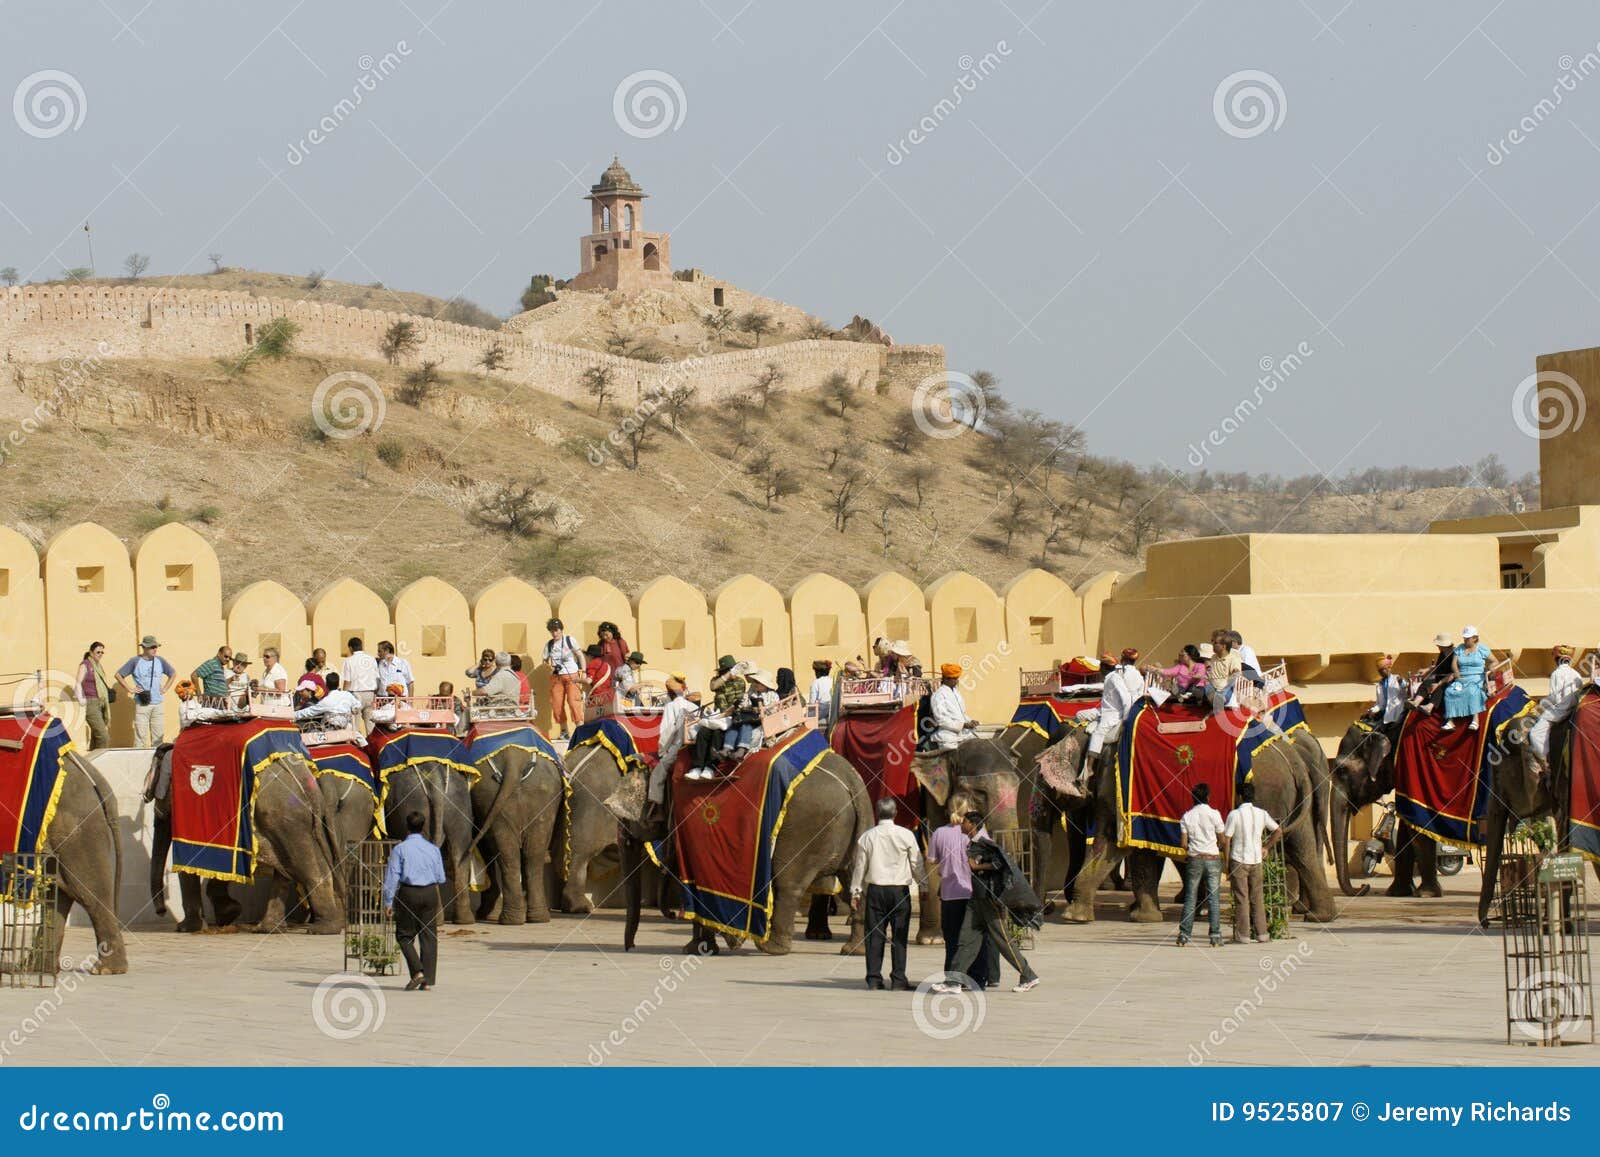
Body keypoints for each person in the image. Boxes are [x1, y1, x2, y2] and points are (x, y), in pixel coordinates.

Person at [935, 815, 1041, 993]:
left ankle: (1028, 975)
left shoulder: (984, 843)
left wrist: (978, 867)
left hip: (989, 901)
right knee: (966, 941)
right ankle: (954, 982)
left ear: (972, 824)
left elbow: (1002, 863)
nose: (961, 824)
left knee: (1003, 941)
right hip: (975, 900)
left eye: (965, 821)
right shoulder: (972, 843)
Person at [850, 797, 925, 991]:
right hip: (899, 891)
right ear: (895, 813)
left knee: (874, 935)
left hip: (876, 891)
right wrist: (923, 885)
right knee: (899, 935)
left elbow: (860, 866)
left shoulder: (867, 836)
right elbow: (916, 863)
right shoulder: (906, 835)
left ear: (877, 813)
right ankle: (898, 979)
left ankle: (874, 979)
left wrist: (855, 891)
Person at [925, 800, 994, 988]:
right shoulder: (977, 833)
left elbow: (932, 859)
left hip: (950, 894)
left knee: (952, 939)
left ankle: (953, 977)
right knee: (976, 938)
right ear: (968, 811)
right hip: (973, 892)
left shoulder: (939, 833)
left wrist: (947, 861)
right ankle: (977, 977)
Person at [383, 812, 446, 991]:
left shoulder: (400, 849)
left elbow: (392, 876)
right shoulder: (433, 849)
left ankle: (418, 972)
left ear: (407, 827)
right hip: (430, 892)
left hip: (408, 893)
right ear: (423, 827)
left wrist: (388, 902)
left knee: (404, 936)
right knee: (429, 936)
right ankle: (427, 982)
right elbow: (441, 877)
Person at [1223, 781, 1281, 944]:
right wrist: (1266, 847)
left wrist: (1226, 863)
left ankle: (1243, 935)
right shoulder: (1261, 813)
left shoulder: (1234, 815)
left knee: (1241, 898)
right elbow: (1278, 831)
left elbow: (1227, 840)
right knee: (1257, 898)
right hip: (1256, 860)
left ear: (1240, 796)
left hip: (1239, 859)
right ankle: (1262, 934)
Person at [1177, 783, 1227, 948]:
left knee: (1190, 897)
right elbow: (1222, 839)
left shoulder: (1186, 817)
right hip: (1212, 859)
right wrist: (1216, 846)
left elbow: (1183, 844)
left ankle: (1184, 935)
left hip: (1194, 859)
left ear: (1193, 798)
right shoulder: (1215, 814)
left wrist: (1193, 848)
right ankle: (1215, 936)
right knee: (1213, 898)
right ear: (1208, 797)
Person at [1083, 649, 1146, 777]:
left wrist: (1126, 718)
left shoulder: (1116, 676)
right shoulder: (1134, 676)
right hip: (1107, 710)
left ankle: (1089, 767)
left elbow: (1126, 698)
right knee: (1081, 714)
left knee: (1098, 733)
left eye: (1101, 665)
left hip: (1113, 714)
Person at [646, 674, 698, 818]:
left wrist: (662, 752)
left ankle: (656, 807)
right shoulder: (693, 706)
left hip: (679, 748)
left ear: (669, 693)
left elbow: (667, 731)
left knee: (659, 770)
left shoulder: (671, 706)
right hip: (694, 748)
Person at [687, 656, 745, 779]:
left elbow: (739, 702)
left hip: (732, 717)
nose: (734, 672)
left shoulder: (740, 682)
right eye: (730, 670)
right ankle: (697, 767)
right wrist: (727, 675)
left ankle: (710, 768)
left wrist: (733, 675)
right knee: (703, 732)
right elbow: (713, 686)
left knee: (718, 733)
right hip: (718, 717)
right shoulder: (717, 680)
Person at [116, 635, 176, 747]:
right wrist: (130, 689)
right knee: (140, 737)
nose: (155, 649)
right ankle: (139, 757)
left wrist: (165, 688)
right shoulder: (135, 661)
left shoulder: (160, 660)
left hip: (158, 703)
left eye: (156, 647)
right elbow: (119, 675)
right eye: (152, 647)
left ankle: (157, 758)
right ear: (144, 647)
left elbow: (173, 673)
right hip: (142, 703)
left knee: (158, 738)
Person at [1529, 644, 1584, 758]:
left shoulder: (1556, 673)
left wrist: (1540, 704)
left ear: (1555, 659)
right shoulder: (1577, 674)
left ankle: (1545, 759)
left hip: (1560, 712)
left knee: (1535, 734)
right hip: (1574, 710)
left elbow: (1554, 698)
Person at [1443, 626, 1492, 732]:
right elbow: (1454, 664)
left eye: (1467, 638)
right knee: (1449, 691)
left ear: (1475, 638)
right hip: (1462, 678)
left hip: (1476, 678)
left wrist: (1491, 668)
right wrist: (1457, 673)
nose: (1465, 640)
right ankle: (1450, 721)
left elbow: (1495, 661)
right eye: (1464, 638)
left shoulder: (1482, 648)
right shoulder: (1460, 648)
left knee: (1472, 691)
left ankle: (1475, 719)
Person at [542, 621, 585, 739]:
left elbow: (580, 655)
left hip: (572, 675)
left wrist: (584, 672)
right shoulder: (549, 644)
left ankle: (580, 730)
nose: (554, 633)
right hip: (556, 677)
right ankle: (564, 732)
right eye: (552, 631)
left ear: (561, 629)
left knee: (573, 702)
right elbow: (545, 660)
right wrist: (550, 667)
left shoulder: (569, 640)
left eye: (556, 630)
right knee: (557, 704)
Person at [928, 663, 979, 750]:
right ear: (946, 679)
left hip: (963, 734)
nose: (956, 681)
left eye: (957, 678)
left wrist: (970, 721)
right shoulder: (938, 695)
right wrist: (963, 725)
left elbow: (962, 714)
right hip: (948, 737)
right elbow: (941, 720)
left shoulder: (956, 692)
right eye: (954, 679)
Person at [294, 671, 362, 732]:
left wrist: (293, 715)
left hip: (330, 730)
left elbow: (310, 711)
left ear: (326, 685)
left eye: (302, 691)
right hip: (347, 726)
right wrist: (353, 710)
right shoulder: (347, 695)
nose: (300, 693)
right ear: (338, 684)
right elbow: (358, 705)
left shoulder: (326, 701)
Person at [75, 641, 113, 750]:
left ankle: (92, 757)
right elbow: (78, 683)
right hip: (90, 702)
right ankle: (101, 757)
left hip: (100, 702)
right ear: (91, 652)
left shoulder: (98, 666)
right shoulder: (85, 664)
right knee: (103, 736)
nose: (100, 654)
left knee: (96, 737)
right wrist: (81, 699)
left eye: (102, 652)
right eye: (98, 652)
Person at [1411, 633, 1456, 715]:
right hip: (1440, 677)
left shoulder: (1455, 654)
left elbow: (1453, 673)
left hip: (1451, 679)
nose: (1437, 646)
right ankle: (1416, 702)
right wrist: (1426, 670)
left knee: (1440, 687)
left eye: (1439, 645)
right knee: (1426, 682)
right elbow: (1438, 666)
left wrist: (1439, 683)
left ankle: (1430, 707)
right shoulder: (1442, 653)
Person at [341, 637, 380, 729]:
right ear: (361, 646)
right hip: (370, 693)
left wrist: (344, 696)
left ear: (350, 648)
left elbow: (347, 681)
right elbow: (377, 678)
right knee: (371, 724)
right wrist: (375, 692)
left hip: (356, 694)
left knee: (355, 724)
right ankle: (372, 738)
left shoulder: (348, 661)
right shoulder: (371, 659)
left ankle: (357, 738)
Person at [1205, 632, 1243, 711]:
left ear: (1223, 646)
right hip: (1213, 688)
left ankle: (1218, 701)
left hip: (1225, 690)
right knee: (1202, 689)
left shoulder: (1233, 659)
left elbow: (1236, 674)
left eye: (1215, 643)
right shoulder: (1213, 657)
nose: (1213, 645)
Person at [1366, 654, 1406, 726]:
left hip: (1398, 712)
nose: (1384, 671)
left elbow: (1405, 691)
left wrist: (1401, 682)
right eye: (1381, 670)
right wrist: (1372, 710)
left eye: (1385, 668)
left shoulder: (1397, 678)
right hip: (1386, 714)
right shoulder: (1379, 685)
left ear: (1389, 668)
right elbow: (1381, 704)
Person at [808, 660, 835, 730]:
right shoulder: (833, 680)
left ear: (818, 672)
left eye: (815, 671)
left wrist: (808, 715)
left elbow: (812, 703)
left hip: (822, 710)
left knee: (805, 718)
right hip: (833, 709)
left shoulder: (815, 683)